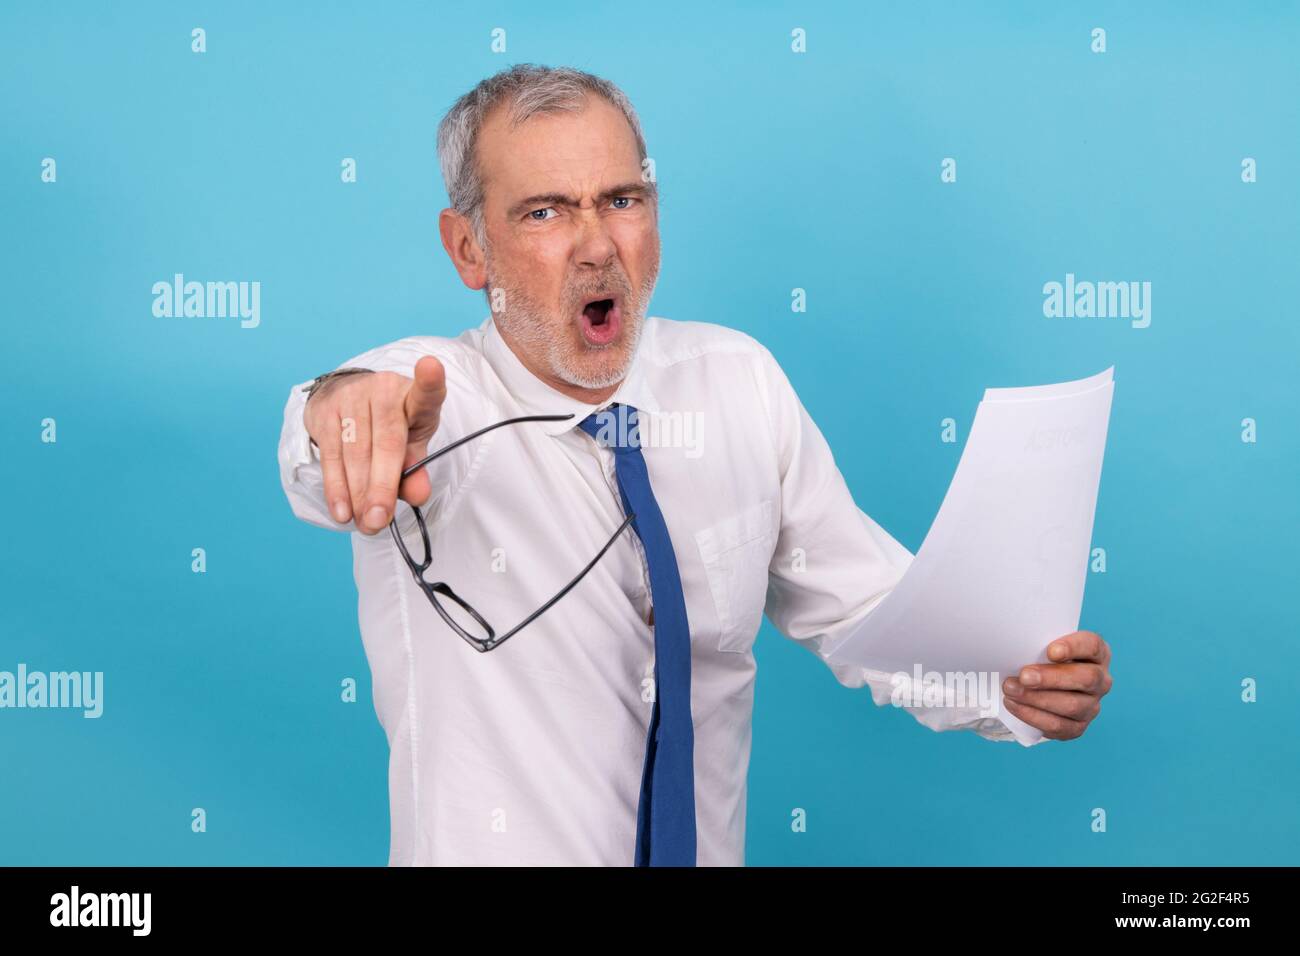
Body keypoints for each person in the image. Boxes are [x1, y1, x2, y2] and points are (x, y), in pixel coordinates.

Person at [277, 64, 1113, 866]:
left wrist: (1012, 685)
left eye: (622, 199)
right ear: (469, 251)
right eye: (545, 213)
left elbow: (870, 612)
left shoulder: (738, 383)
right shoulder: (432, 403)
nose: (597, 246)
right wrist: (341, 414)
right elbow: (325, 442)